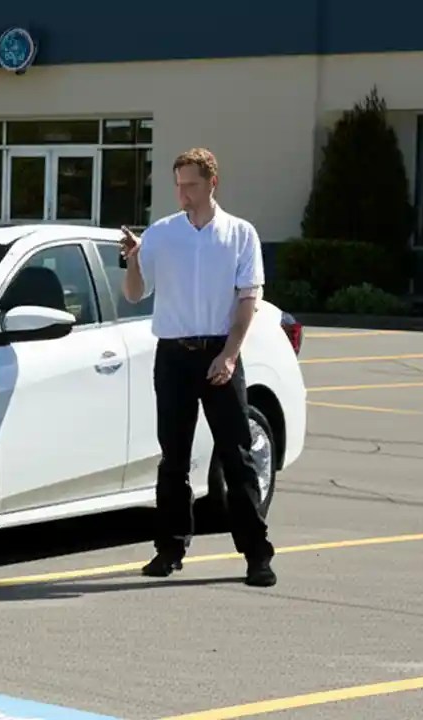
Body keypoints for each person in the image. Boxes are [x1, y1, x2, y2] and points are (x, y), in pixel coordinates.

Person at [118, 147, 277, 588]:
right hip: (173, 354)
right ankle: (169, 549)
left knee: (237, 455)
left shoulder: (240, 234)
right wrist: (132, 258)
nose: (183, 193)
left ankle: (256, 555)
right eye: (178, 185)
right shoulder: (162, 234)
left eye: (190, 185)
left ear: (212, 184)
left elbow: (249, 299)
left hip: (219, 350)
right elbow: (134, 293)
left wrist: (229, 354)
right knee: (174, 456)